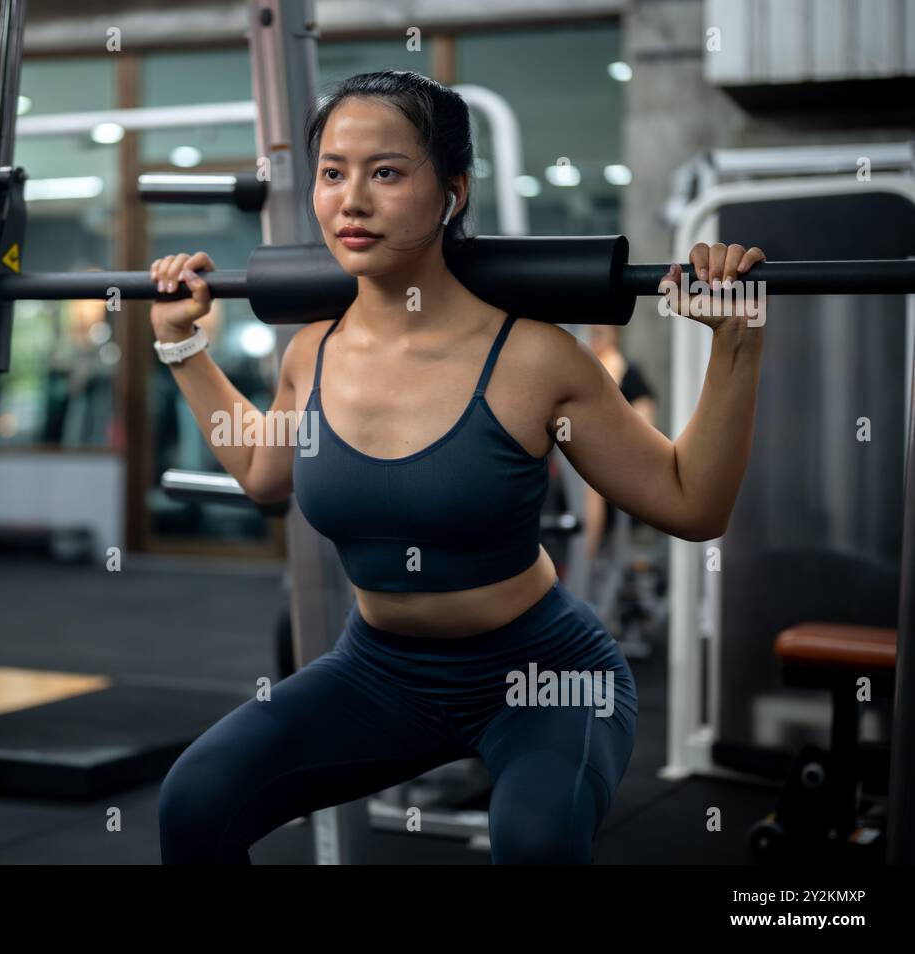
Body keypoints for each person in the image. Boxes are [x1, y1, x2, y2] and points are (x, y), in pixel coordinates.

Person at [150, 69, 766, 864]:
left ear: (454, 190)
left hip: (543, 675)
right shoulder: (313, 351)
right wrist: (182, 348)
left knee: (535, 844)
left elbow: (691, 504)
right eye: (333, 173)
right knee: (196, 799)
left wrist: (736, 345)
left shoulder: (536, 358)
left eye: (387, 172)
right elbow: (267, 475)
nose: (352, 200)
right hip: (379, 673)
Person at [582, 324, 659, 561]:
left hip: (613, 484)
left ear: (615, 335)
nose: (594, 341)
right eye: (590, 334)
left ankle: (583, 567)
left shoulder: (628, 375)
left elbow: (644, 438)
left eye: (599, 334)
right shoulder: (579, 370)